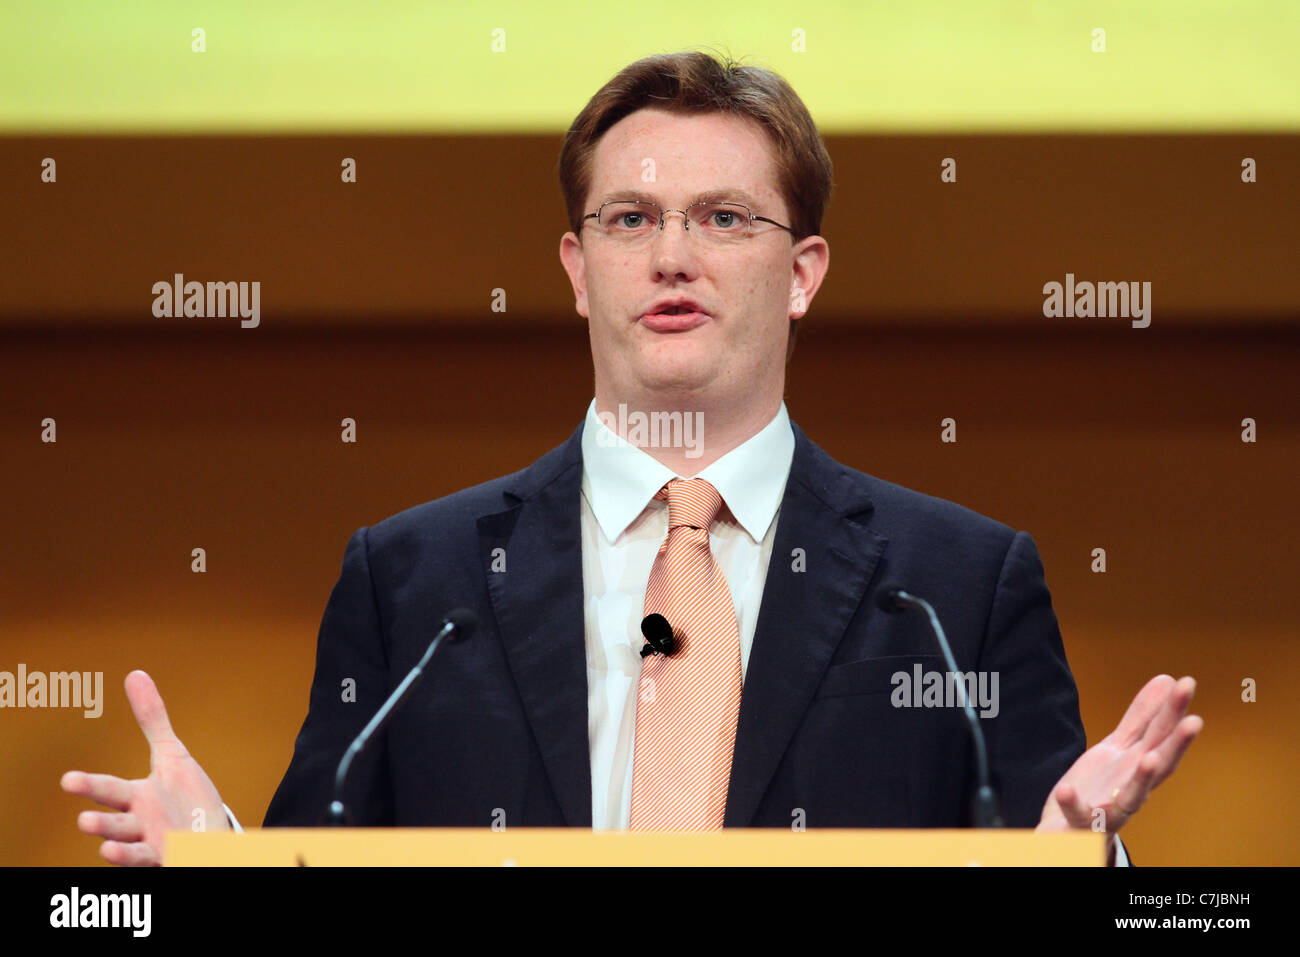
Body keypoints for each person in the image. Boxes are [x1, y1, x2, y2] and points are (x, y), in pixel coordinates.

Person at [61, 50, 1201, 866]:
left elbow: (1046, 856)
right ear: (574, 266)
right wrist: (215, 868)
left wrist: (1073, 864)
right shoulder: (414, 581)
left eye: (721, 219)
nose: (670, 257)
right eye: (628, 219)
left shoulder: (961, 586)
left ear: (801, 273)